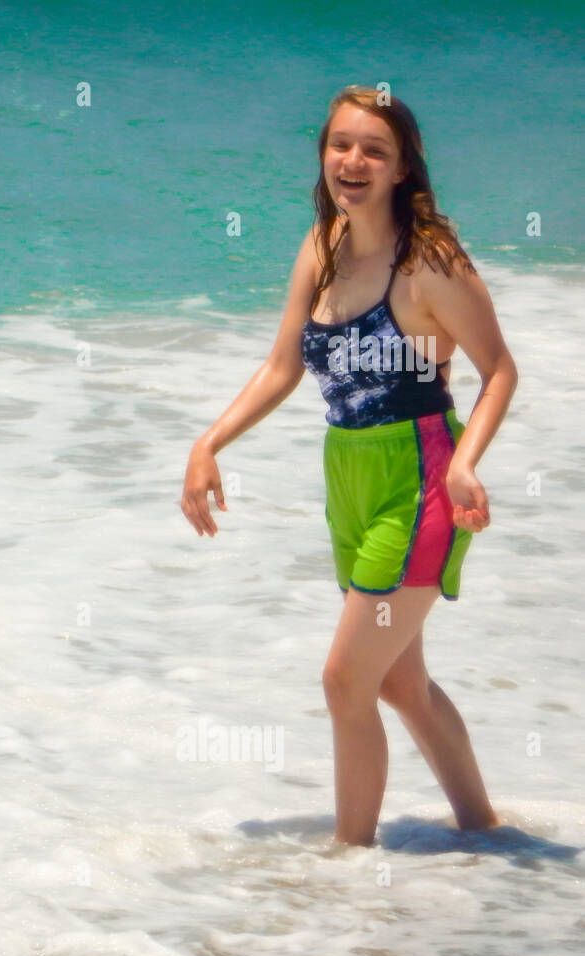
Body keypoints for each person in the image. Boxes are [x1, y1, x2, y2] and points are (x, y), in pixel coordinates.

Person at [179, 86, 518, 847]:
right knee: (398, 679)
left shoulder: (428, 261)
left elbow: (498, 370)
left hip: (419, 478)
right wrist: (208, 443)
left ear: (403, 168)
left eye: (374, 149)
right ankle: (488, 834)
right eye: (340, 144)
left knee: (345, 679)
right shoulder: (322, 245)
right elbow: (281, 367)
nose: (352, 162)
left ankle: (349, 864)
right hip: (349, 479)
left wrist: (466, 465)